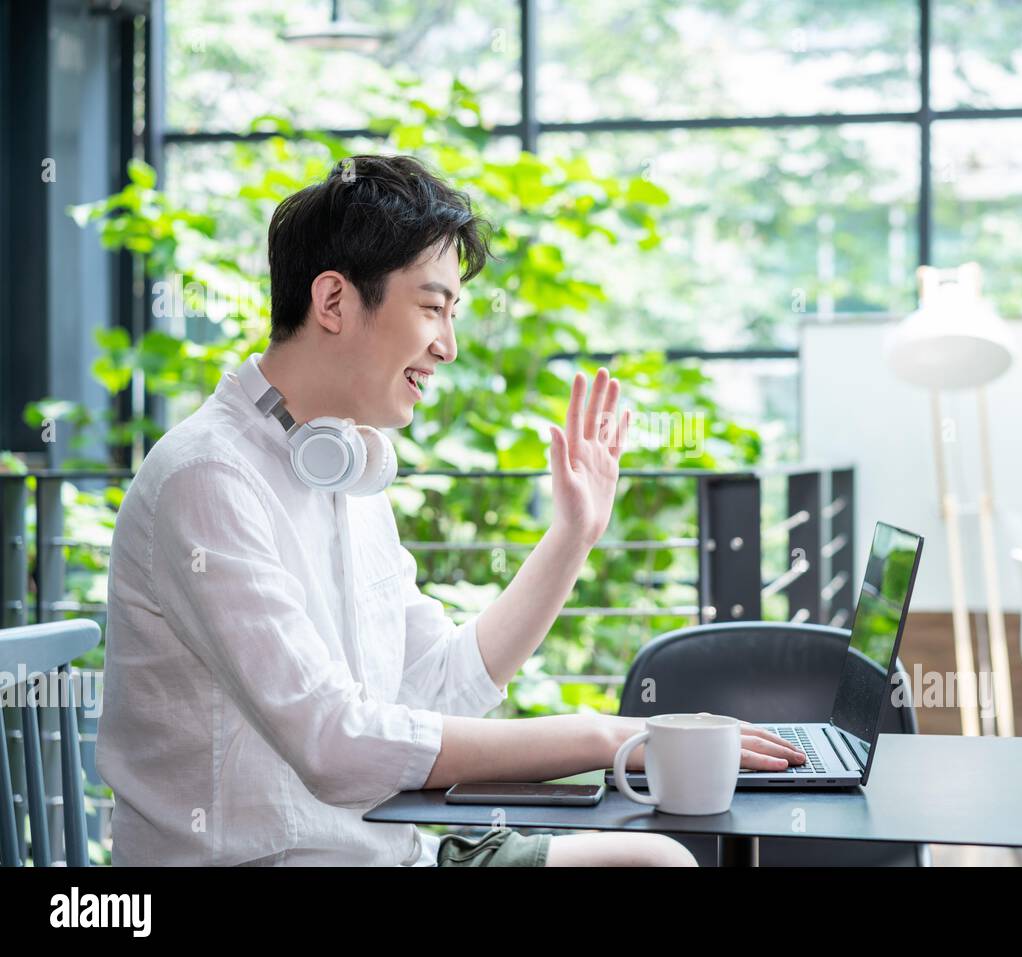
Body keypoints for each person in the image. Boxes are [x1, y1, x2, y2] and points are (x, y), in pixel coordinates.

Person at [96, 154, 804, 867]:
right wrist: (605, 736)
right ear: (334, 302)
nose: (449, 344)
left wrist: (573, 535)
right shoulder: (209, 479)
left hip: (393, 856)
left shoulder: (344, 463)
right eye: (432, 307)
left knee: (659, 863)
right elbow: (335, 745)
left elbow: (444, 686)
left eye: (454, 313)